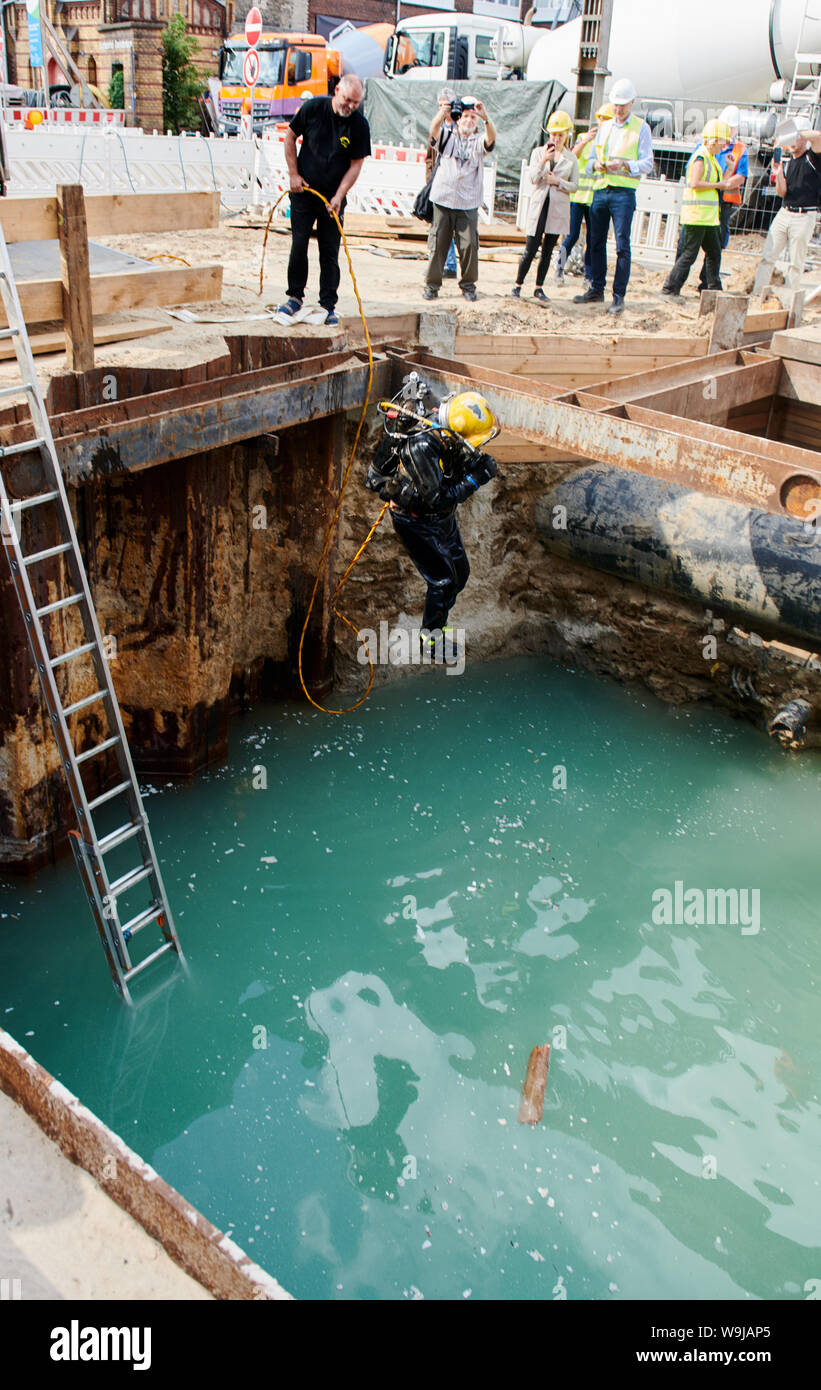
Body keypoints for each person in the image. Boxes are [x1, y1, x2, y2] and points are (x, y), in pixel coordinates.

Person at [365, 390, 499, 659]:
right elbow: (437, 498)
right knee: (443, 580)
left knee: (459, 575)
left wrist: (473, 464)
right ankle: (431, 641)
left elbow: (449, 477)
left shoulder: (446, 435)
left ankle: (439, 626)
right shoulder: (422, 447)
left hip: (440, 517)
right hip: (416, 521)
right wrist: (475, 479)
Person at [278, 76, 371, 327]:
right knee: (299, 244)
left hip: (333, 200)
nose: (350, 106)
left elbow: (356, 165)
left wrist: (339, 196)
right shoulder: (313, 109)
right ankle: (295, 296)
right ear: (337, 90)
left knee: (329, 252)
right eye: (347, 99)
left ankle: (328, 305)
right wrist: (293, 174)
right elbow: (289, 137)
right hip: (304, 192)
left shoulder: (359, 125)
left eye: (355, 102)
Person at [573, 78, 654, 315]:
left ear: (631, 103)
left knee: (622, 245)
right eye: (615, 106)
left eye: (623, 106)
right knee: (595, 242)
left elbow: (648, 162)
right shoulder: (606, 128)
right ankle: (596, 288)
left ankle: (618, 295)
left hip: (623, 193)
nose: (618, 110)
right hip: (601, 190)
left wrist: (625, 165)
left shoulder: (641, 128)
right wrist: (596, 164)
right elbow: (588, 162)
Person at [423, 96, 497, 303]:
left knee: (469, 246)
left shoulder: (478, 140)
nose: (469, 120)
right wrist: (443, 111)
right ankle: (432, 285)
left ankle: (468, 285)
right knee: (438, 245)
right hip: (444, 199)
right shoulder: (448, 136)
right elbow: (433, 129)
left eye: (472, 117)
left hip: (468, 203)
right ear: (458, 118)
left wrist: (485, 117)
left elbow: (491, 139)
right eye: (465, 116)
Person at [661, 120, 735, 298]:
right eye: (723, 141)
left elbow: (720, 184)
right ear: (714, 139)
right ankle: (670, 289)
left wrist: (729, 169)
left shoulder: (711, 158)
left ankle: (713, 290)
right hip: (696, 216)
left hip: (708, 217)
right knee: (689, 254)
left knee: (714, 253)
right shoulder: (701, 157)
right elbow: (695, 183)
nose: (725, 145)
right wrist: (718, 183)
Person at [511, 110, 578, 302]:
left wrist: (558, 182)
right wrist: (543, 162)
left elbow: (575, 185)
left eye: (560, 135)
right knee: (530, 248)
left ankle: (539, 287)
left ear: (567, 135)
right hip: (539, 206)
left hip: (556, 208)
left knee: (548, 250)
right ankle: (518, 285)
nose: (556, 139)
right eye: (554, 134)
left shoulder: (571, 158)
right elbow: (532, 178)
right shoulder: (538, 153)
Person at [752, 117, 821, 303]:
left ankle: (788, 302)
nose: (791, 143)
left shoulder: (812, 157)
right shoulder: (789, 161)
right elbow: (782, 192)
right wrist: (778, 173)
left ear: (803, 138)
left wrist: (796, 133)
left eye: (795, 138)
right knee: (768, 256)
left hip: (804, 215)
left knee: (795, 264)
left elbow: (818, 138)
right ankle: (757, 296)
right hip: (785, 212)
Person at [557, 102, 613, 286]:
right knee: (571, 235)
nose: (602, 122)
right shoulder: (584, 138)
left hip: (593, 199)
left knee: (592, 239)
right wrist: (586, 140)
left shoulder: (609, 143)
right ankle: (559, 266)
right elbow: (572, 156)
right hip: (577, 198)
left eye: (607, 119)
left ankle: (589, 276)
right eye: (601, 118)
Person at [695, 104, 748, 288]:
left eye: (732, 128)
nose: (730, 131)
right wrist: (719, 185)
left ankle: (708, 281)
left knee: (717, 242)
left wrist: (724, 185)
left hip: (724, 202)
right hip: (705, 200)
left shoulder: (740, 149)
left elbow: (741, 176)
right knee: (694, 241)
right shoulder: (706, 145)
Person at [426, 87, 459, 278]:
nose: (443, 110)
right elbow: (429, 156)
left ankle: (450, 264)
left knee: (450, 228)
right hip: (437, 184)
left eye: (446, 106)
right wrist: (429, 180)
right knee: (438, 227)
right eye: (440, 106)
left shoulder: (461, 125)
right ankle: (445, 264)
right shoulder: (436, 127)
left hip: (456, 186)